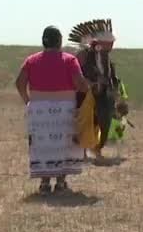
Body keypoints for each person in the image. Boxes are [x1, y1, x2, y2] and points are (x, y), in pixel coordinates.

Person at [17, 26, 87, 194]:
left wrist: (28, 101)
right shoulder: (70, 60)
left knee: (43, 145)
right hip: (64, 111)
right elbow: (80, 84)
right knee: (64, 145)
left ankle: (44, 183)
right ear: (60, 41)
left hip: (39, 111)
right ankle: (61, 182)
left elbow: (20, 83)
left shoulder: (31, 60)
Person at [69, 19, 122, 160]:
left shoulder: (107, 59)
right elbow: (76, 74)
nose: (112, 46)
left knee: (103, 121)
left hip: (104, 94)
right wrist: (90, 84)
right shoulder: (83, 55)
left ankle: (97, 149)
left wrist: (115, 90)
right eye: (110, 43)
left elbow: (112, 76)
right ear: (101, 43)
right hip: (85, 93)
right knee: (86, 121)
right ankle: (84, 151)